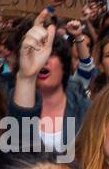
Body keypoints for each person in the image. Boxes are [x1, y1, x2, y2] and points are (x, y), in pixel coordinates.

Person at [7, 22, 88, 151]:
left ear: (64, 65)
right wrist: (26, 78)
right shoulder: (11, 104)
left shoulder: (85, 109)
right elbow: (16, 150)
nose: (42, 60)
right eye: (35, 54)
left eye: (51, 54)